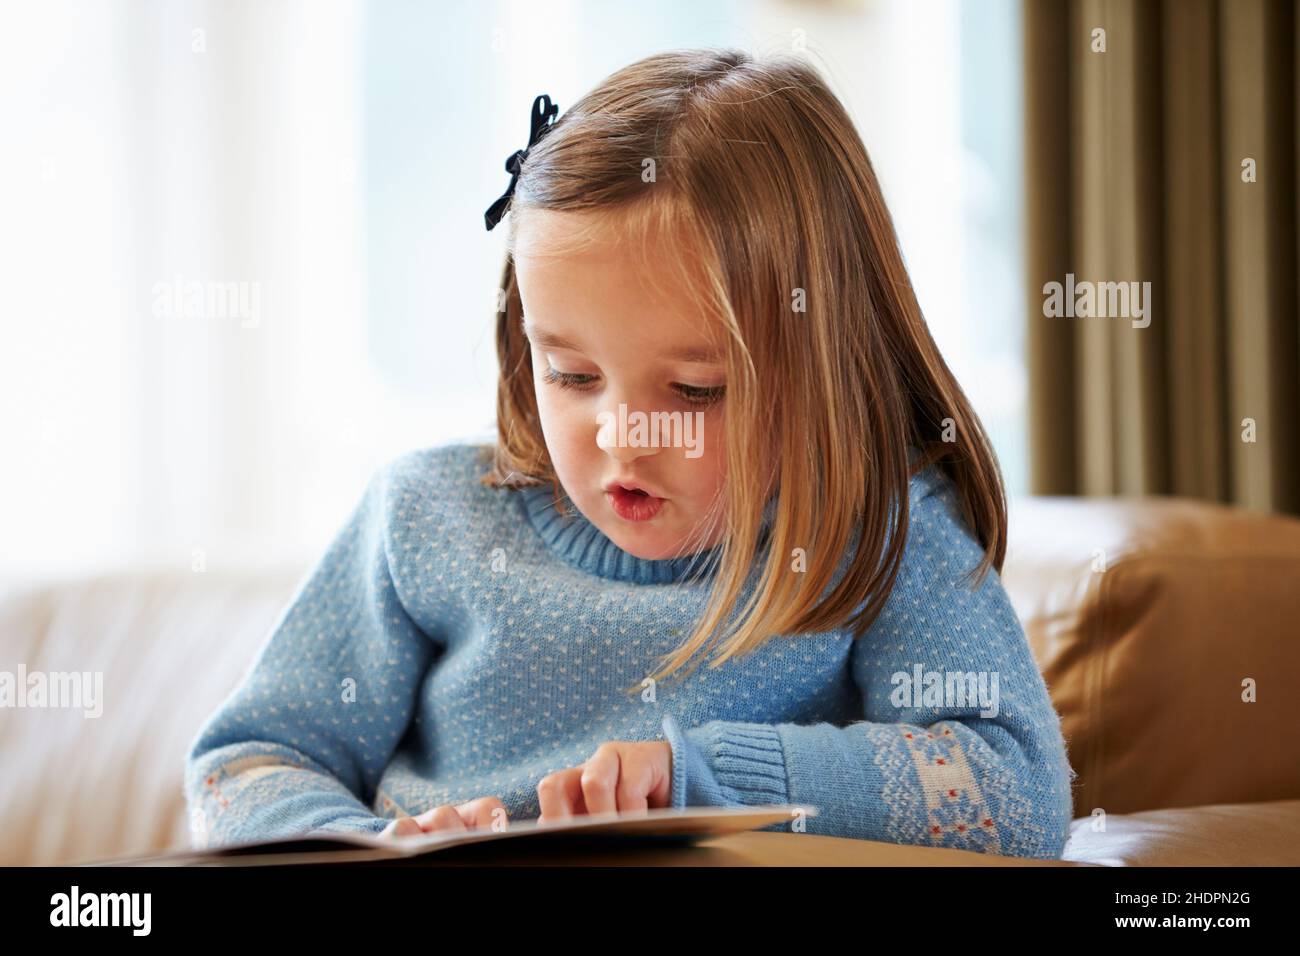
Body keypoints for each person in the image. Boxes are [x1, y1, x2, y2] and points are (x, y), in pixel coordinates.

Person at [184, 47, 1076, 859]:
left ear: (823, 361)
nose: (622, 437)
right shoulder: (424, 515)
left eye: (694, 390)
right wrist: (369, 845)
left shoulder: (884, 536)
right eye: (571, 374)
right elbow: (246, 764)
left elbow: (1014, 795)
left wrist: (700, 774)